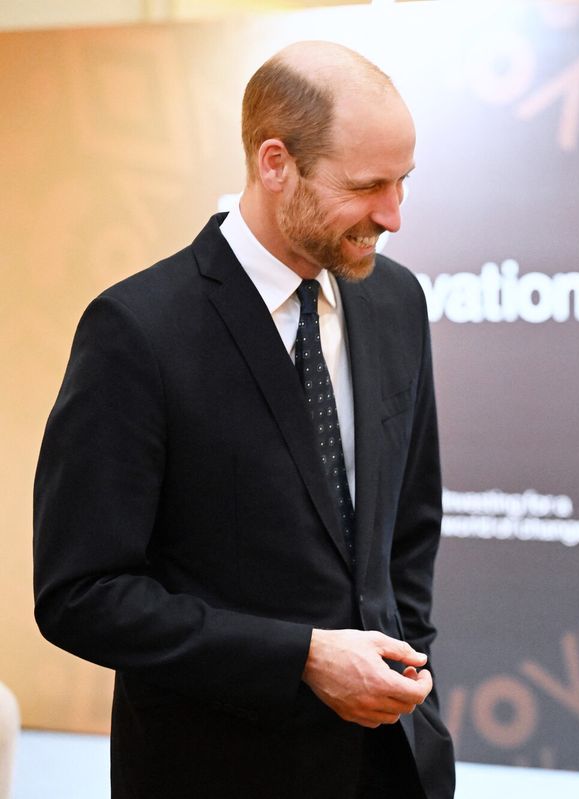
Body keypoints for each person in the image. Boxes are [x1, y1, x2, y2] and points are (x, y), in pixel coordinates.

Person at [33, 41, 454, 799]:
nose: (393, 215)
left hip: (392, 769)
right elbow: (81, 594)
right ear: (274, 163)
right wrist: (301, 656)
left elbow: (410, 529)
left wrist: (408, 661)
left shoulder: (397, 302)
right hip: (214, 770)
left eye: (403, 182)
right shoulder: (136, 329)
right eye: (368, 186)